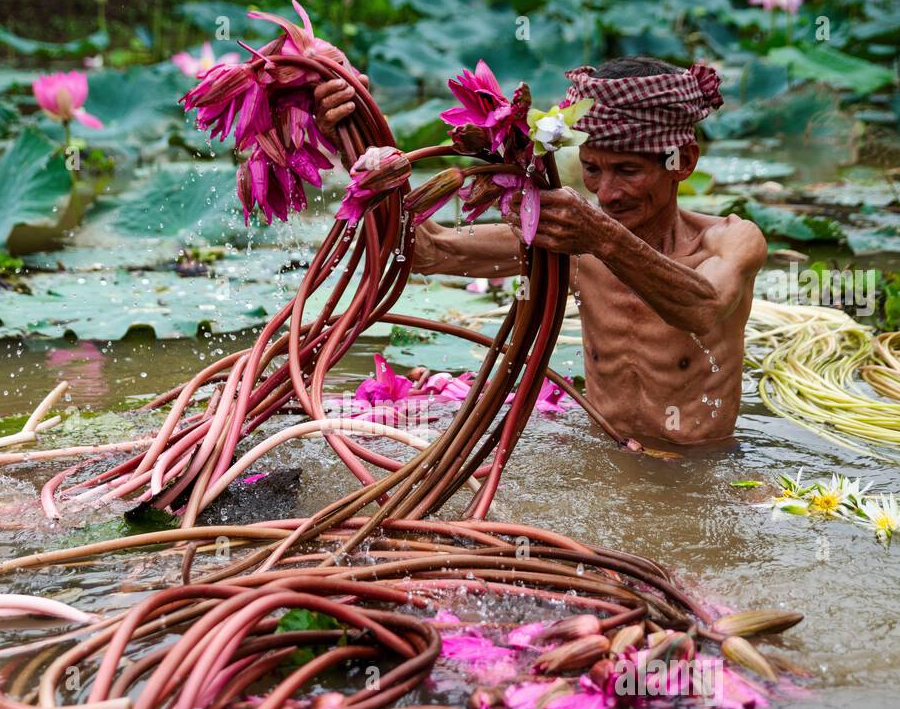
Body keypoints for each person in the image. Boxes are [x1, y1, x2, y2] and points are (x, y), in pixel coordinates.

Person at [314, 57, 767, 447]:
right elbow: (429, 251)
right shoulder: (573, 238)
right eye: (592, 169)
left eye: (628, 171)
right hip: (603, 455)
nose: (607, 193)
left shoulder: (731, 239)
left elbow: (703, 309)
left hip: (697, 468)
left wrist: (602, 238)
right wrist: (355, 137)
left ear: (683, 162)